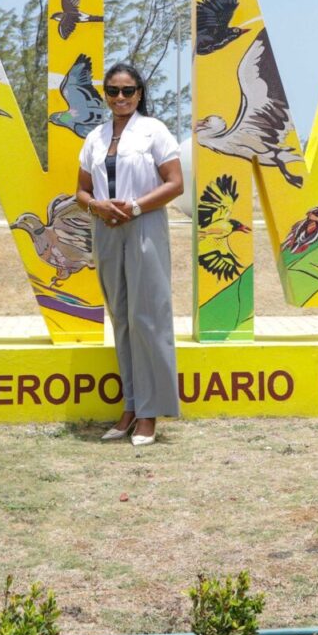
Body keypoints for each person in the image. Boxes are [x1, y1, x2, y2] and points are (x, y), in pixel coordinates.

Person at [76, 62, 184, 446]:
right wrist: (98, 207)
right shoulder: (95, 137)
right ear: (104, 95)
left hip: (143, 225)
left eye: (128, 90)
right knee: (121, 317)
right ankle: (131, 405)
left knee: (148, 316)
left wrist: (135, 207)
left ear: (139, 93)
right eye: (113, 91)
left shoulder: (154, 131)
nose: (120, 97)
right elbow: (82, 191)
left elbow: (175, 184)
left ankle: (150, 413)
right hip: (106, 229)